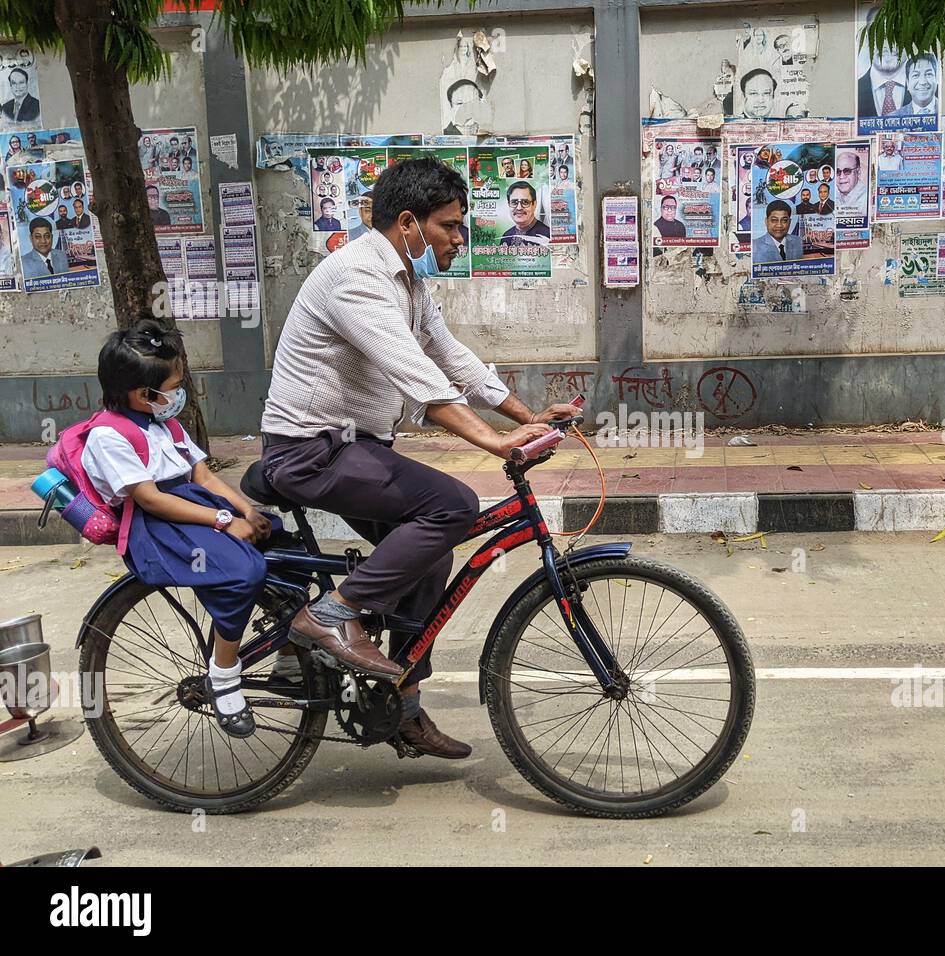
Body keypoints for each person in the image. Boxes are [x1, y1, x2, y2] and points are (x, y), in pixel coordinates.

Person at [258, 157, 577, 758]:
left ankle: (401, 705)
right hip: (309, 453)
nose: (460, 238)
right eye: (451, 226)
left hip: (354, 449)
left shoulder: (408, 279)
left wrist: (527, 418)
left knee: (429, 558)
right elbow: (414, 374)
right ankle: (332, 614)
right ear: (409, 223)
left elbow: (452, 358)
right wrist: (492, 441)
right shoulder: (356, 277)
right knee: (453, 505)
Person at [84, 321, 279, 739]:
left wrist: (248, 510)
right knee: (243, 572)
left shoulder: (165, 423)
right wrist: (224, 522)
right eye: (174, 385)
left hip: (194, 505)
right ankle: (224, 675)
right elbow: (151, 498)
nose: (179, 392)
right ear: (143, 394)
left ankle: (292, 649)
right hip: (159, 525)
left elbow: (204, 477)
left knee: (279, 544)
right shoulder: (109, 435)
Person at [857, 38, 911, 119]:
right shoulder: (853, 90)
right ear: (868, 41)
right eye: (881, 36)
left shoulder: (936, 94)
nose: (889, 45)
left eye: (897, 35)